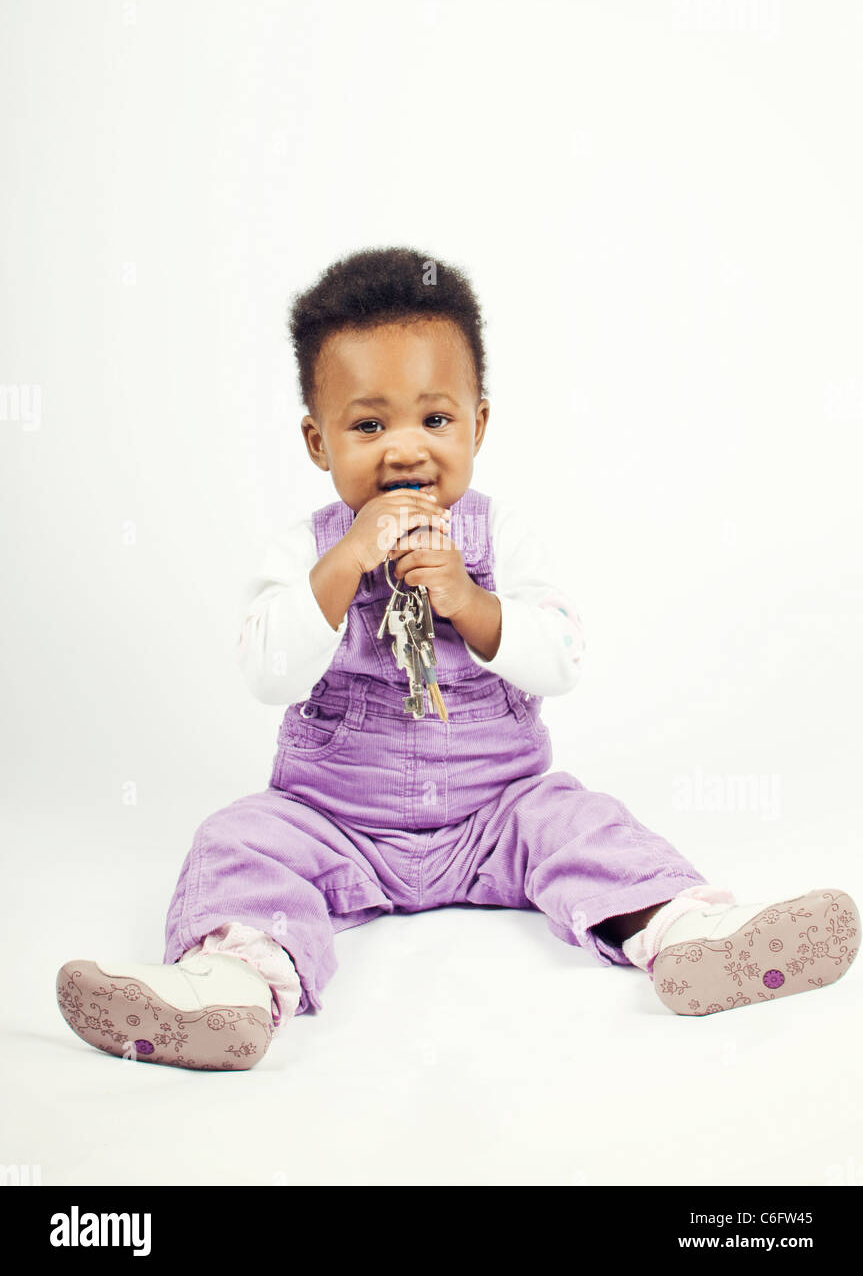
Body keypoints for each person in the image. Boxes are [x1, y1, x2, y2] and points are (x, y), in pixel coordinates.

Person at [56, 247, 859, 1070]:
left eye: (434, 421)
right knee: (237, 838)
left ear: (477, 423)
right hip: (335, 820)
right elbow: (267, 672)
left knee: (583, 822)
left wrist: (472, 605)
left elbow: (561, 660)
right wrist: (342, 568)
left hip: (495, 814)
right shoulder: (304, 547)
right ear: (316, 440)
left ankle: (688, 934)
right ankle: (229, 984)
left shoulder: (501, 536)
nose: (404, 451)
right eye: (368, 426)